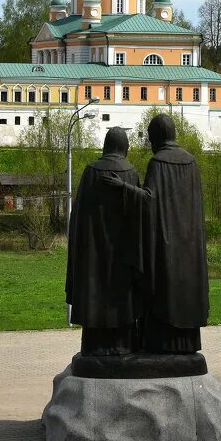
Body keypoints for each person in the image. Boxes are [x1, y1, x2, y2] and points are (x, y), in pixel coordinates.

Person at [102, 114, 209, 354]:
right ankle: (187, 345)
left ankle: (160, 345)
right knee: (185, 290)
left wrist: (124, 187)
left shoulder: (158, 162)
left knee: (163, 291)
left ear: (157, 138)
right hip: (189, 242)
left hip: (166, 243)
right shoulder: (191, 162)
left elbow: (149, 200)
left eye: (150, 138)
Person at [65, 127, 142, 356]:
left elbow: (77, 216)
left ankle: (94, 347)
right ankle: (123, 346)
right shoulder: (130, 172)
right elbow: (139, 217)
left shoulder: (91, 172)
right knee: (122, 297)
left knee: (95, 293)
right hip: (123, 254)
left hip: (93, 253)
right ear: (124, 147)